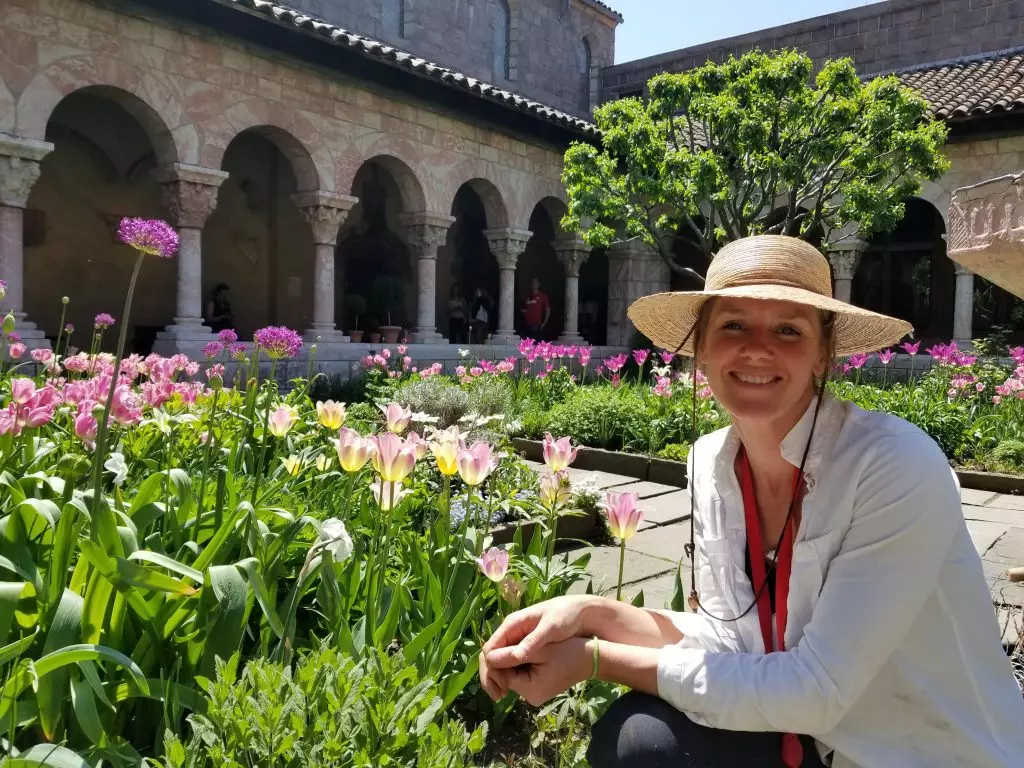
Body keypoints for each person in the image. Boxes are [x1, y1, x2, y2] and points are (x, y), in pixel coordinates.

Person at [479, 235, 1024, 768]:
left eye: (788, 328)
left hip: (915, 749)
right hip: (813, 740)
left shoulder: (893, 466)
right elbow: (732, 635)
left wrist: (596, 659)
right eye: (733, 324)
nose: (757, 347)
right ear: (702, 346)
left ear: (823, 353)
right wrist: (588, 616)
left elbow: (816, 688)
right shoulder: (710, 462)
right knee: (640, 740)